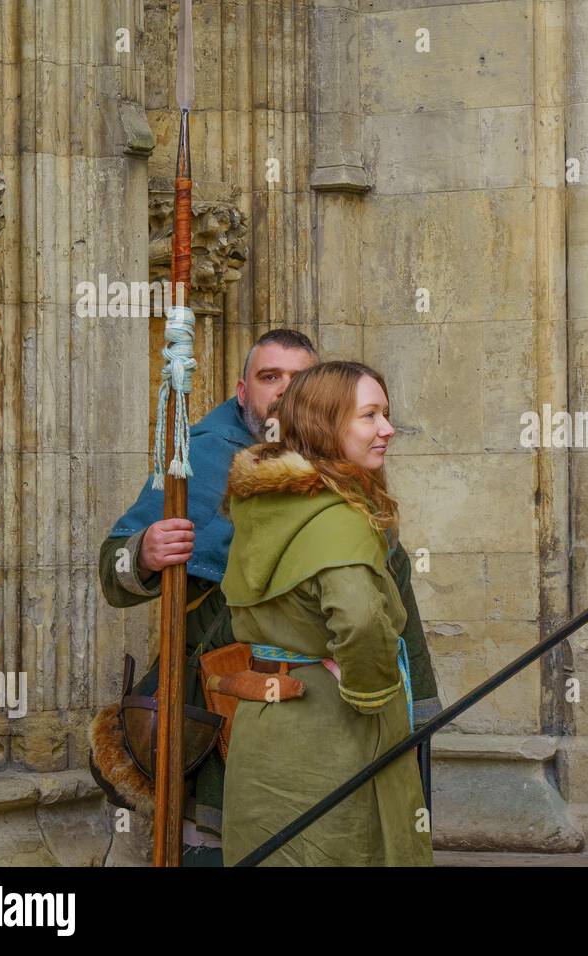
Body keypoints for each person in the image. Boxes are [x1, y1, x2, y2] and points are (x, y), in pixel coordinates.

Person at [89, 329, 441, 865]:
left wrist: (416, 713)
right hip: (222, 686)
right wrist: (143, 552)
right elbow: (115, 569)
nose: (283, 391)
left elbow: (390, 592)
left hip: (325, 709)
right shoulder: (203, 460)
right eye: (269, 377)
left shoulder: (349, 478)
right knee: (226, 838)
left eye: (300, 381)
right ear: (241, 390)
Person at [219, 360, 432, 866]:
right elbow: (358, 620)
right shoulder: (337, 517)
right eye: (369, 415)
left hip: (263, 725)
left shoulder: (264, 507)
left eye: (386, 413)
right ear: (325, 424)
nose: (387, 428)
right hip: (330, 731)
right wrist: (370, 692)